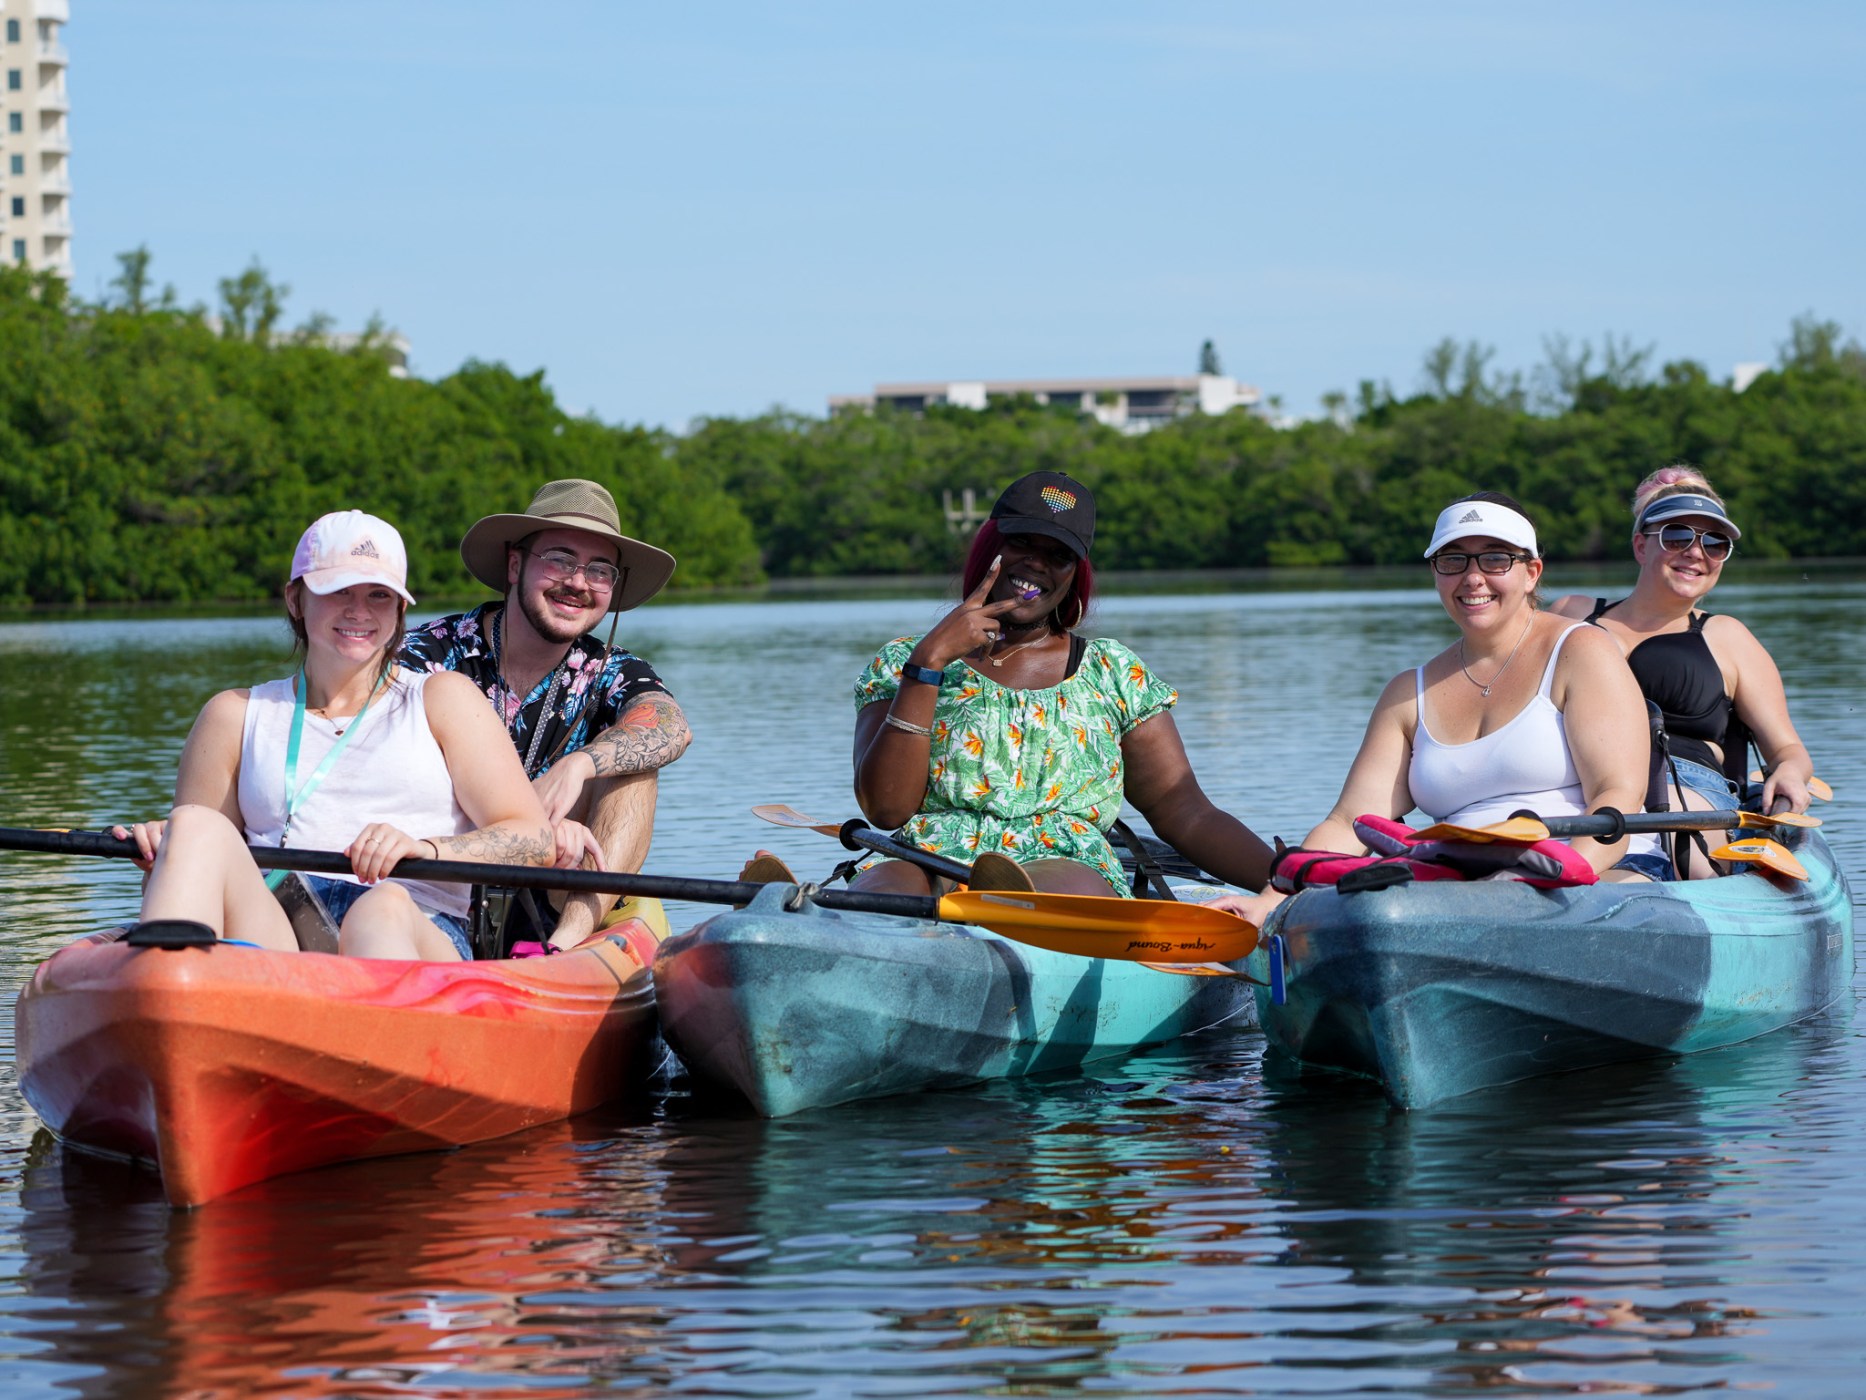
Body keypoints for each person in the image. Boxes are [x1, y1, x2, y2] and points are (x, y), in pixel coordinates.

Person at [116, 511, 555, 960]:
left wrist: (425, 848)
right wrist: (160, 857)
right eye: (337, 591)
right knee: (193, 825)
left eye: (378, 595)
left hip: (414, 926)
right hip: (279, 928)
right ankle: (169, 996)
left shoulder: (443, 699)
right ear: (295, 599)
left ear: (401, 608)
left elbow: (535, 840)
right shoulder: (233, 715)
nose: (358, 611)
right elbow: (188, 880)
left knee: (379, 906)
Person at [1209, 491, 1659, 926]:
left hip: (1599, 873)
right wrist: (1271, 903)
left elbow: (1618, 797)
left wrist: (1553, 878)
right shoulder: (1409, 692)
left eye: (1496, 558)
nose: (1473, 577)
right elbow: (1349, 822)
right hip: (1460, 885)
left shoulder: (1581, 650)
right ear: (1436, 573)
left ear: (1532, 572)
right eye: (1453, 560)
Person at [846, 471, 1273, 898]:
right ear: (990, 545)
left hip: (1063, 865)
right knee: (882, 894)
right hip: (931, 856)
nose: (1036, 562)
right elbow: (886, 810)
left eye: (1059, 555)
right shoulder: (905, 661)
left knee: (1028, 897)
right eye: (1023, 543)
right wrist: (929, 663)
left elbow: (1185, 811)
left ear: (1074, 573)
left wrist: (1286, 876)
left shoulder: (1111, 673)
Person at [400, 479, 692, 950]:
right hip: (437, 876)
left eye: (599, 570)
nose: (577, 582)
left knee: (636, 767)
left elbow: (672, 726)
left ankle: (565, 949)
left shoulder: (610, 668)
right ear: (514, 565)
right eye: (559, 559)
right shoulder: (427, 653)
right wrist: (525, 823)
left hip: (551, 890)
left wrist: (578, 766)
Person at [1550, 465, 1814, 873]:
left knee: (1667, 828)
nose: (1696, 552)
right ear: (1641, 546)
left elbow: (1787, 750)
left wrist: (1792, 775)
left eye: (1715, 543)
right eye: (1677, 537)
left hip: (1684, 789)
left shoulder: (1728, 636)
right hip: (1570, 780)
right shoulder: (1572, 613)